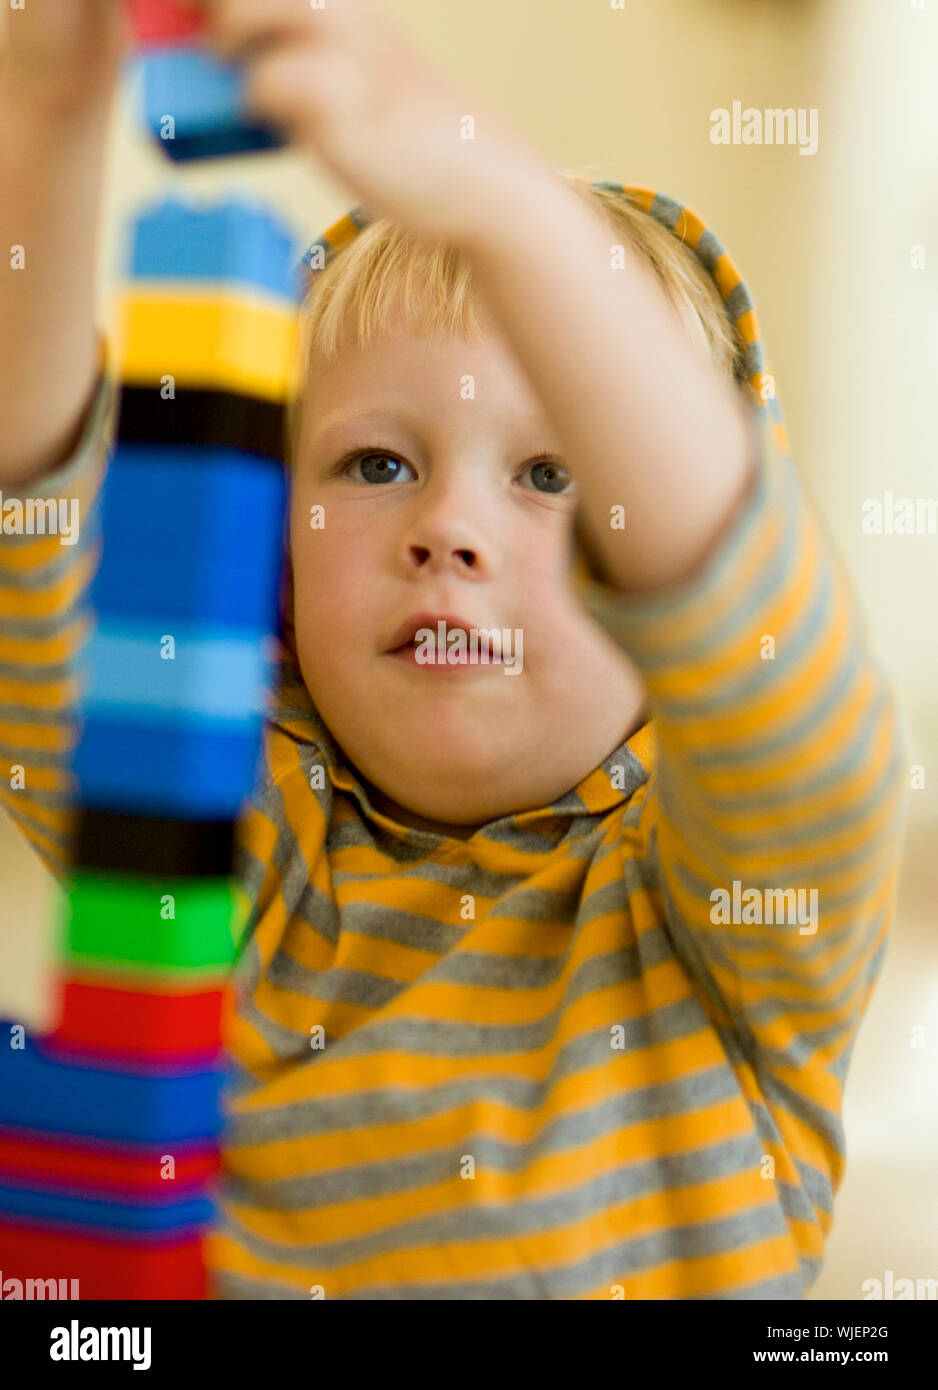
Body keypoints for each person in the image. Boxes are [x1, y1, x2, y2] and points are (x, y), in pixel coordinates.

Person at [0, 0, 906, 1298]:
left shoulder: (722, 924)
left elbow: (789, 699)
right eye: (376, 464)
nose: (450, 529)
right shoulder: (236, 847)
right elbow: (30, 539)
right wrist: (42, 106)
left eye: (556, 473)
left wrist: (500, 202)